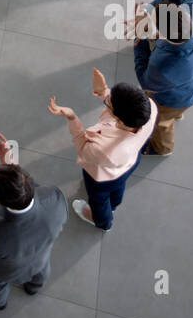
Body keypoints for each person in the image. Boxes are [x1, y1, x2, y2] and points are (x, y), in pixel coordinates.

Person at [0, 133, 68, 309]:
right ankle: (33, 288)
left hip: (4, 271)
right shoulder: (54, 198)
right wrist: (12, 169)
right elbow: (31, 190)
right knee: (41, 270)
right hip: (39, 258)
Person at [48, 67, 156, 231]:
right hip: (129, 163)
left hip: (102, 178)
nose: (107, 100)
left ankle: (102, 221)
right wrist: (104, 91)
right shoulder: (150, 108)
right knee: (118, 186)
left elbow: (82, 147)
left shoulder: (103, 149)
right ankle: (114, 204)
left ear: (119, 121)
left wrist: (71, 117)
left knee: (98, 199)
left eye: (108, 103)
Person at [131, 0, 193, 156]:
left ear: (162, 35)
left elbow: (145, 79)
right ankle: (177, 115)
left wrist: (140, 37)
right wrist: (149, 9)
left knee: (161, 122)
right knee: (176, 112)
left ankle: (162, 148)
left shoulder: (163, 66)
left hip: (170, 99)